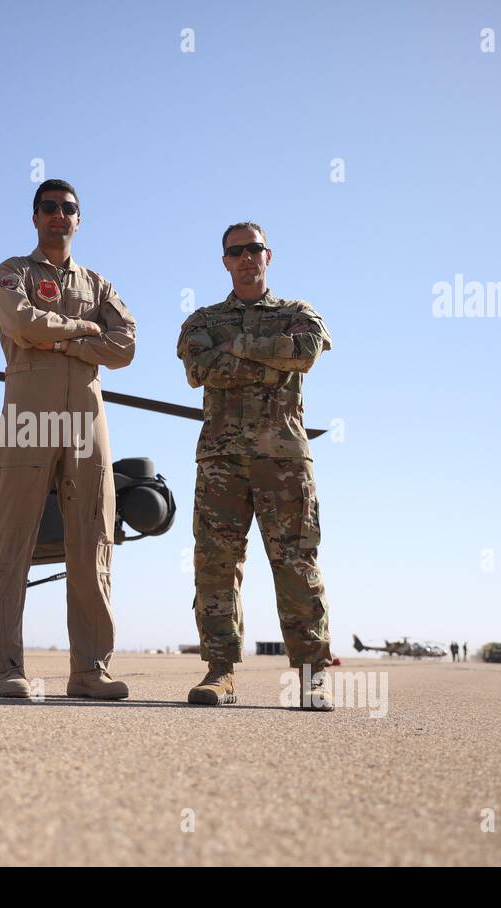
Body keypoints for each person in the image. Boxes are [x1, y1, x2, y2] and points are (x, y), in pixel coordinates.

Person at [0, 179, 136, 699]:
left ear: (78, 219)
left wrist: (63, 342)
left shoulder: (98, 283)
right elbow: (20, 320)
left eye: (68, 209)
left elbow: (127, 345)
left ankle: (89, 669)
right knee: (11, 537)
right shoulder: (12, 272)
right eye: (48, 208)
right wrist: (85, 333)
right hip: (29, 414)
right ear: (34, 217)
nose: (58, 216)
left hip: (87, 422)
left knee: (93, 539)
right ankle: (7, 668)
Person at [176, 222, 333, 708]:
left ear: (270, 255)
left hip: (283, 460)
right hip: (221, 461)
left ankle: (312, 676)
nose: (246, 257)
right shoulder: (201, 320)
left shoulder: (298, 312)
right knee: (215, 565)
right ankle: (219, 672)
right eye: (236, 251)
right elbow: (199, 370)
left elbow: (304, 352)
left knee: (294, 562)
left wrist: (237, 347)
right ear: (224, 260)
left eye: (254, 249)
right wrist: (270, 359)